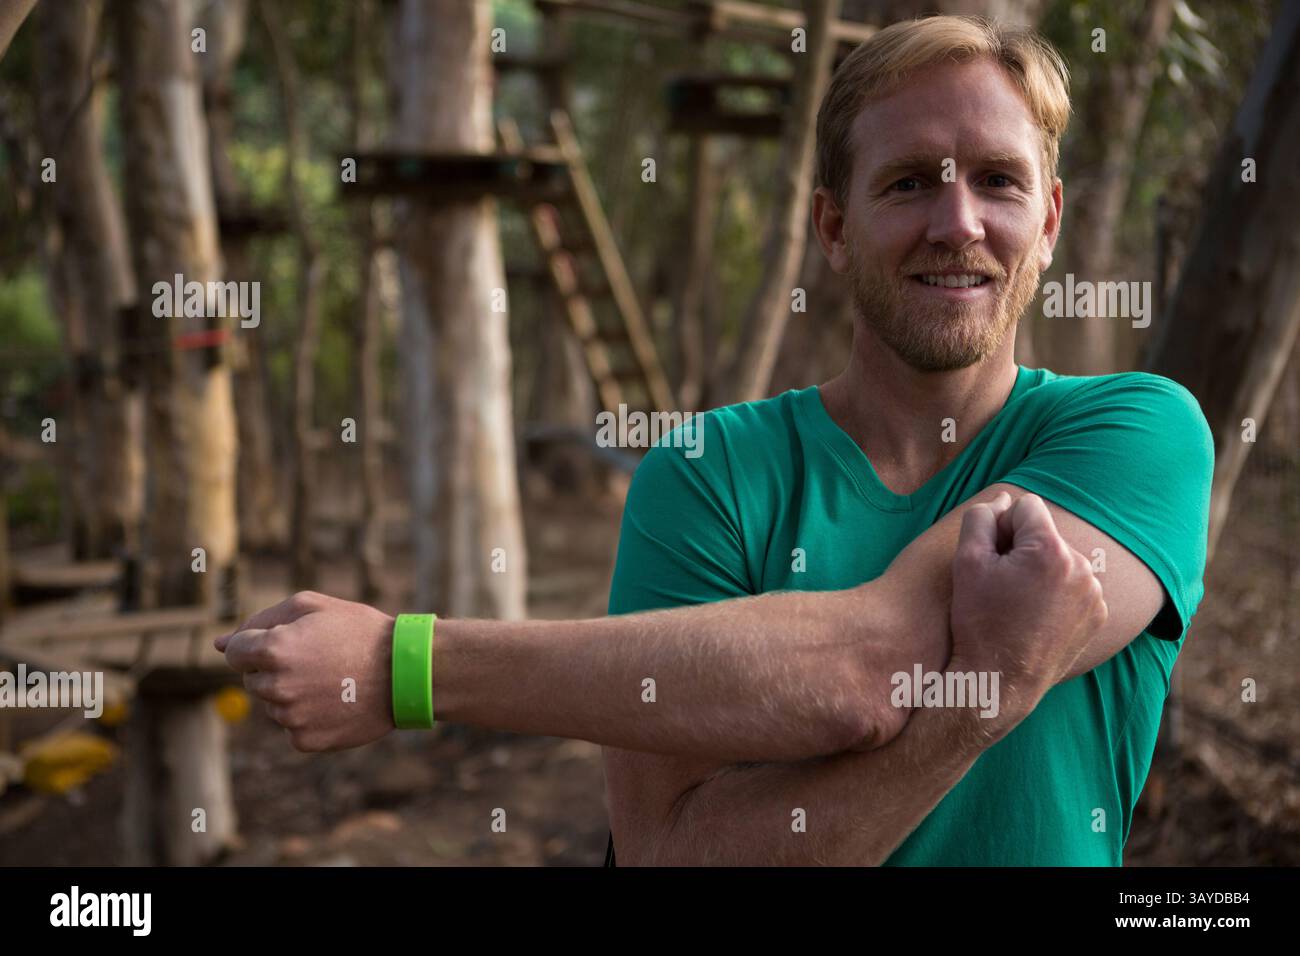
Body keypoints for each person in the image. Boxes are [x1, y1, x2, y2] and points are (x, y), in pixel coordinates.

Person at [216, 15, 1213, 866]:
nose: (958, 222)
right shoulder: (707, 472)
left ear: (1047, 221)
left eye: (997, 180)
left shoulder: (1138, 431)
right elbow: (673, 852)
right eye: (909, 182)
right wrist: (977, 701)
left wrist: (408, 662)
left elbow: (867, 666)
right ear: (830, 224)